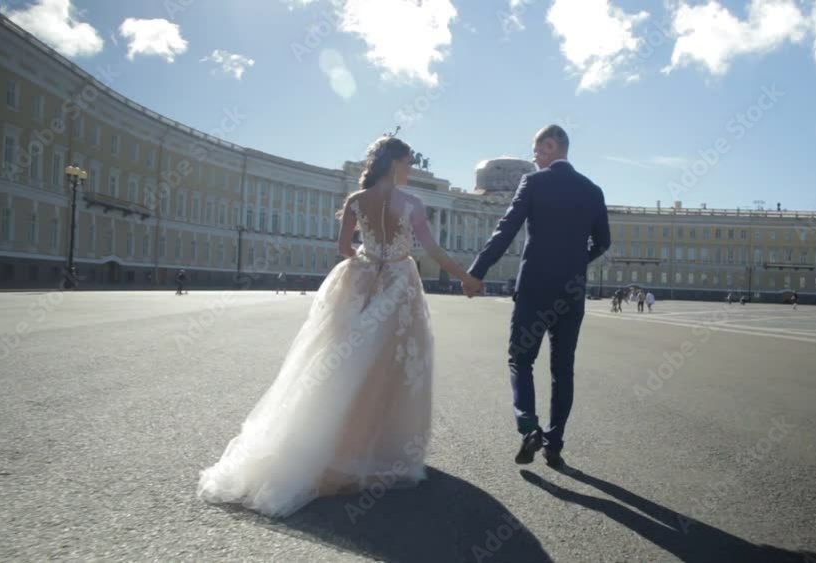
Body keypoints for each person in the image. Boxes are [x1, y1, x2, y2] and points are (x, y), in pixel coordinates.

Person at [197, 136, 482, 519]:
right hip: (399, 284)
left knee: (342, 362)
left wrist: (368, 260)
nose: (410, 167)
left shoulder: (355, 201)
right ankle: (379, 450)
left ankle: (329, 446)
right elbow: (431, 249)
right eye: (408, 161)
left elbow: (344, 247)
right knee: (391, 368)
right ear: (395, 161)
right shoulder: (411, 203)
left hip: (359, 280)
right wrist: (466, 277)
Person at [466, 124, 609, 469]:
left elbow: (506, 229)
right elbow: (602, 243)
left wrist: (476, 272)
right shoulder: (592, 190)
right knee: (563, 370)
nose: (533, 156)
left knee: (521, 359)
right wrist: (577, 263)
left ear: (550, 145)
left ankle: (529, 426)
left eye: (536, 149)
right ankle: (555, 443)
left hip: (534, 289)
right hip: (571, 293)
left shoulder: (533, 183)